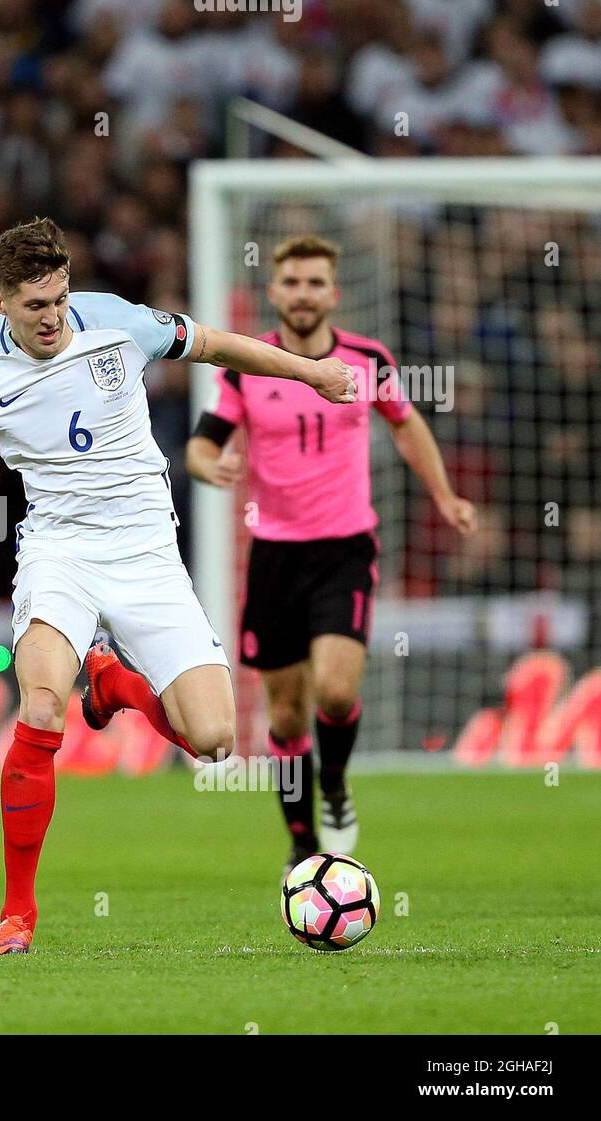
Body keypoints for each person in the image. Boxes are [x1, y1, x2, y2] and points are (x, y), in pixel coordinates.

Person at [0, 217, 357, 954]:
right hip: (60, 554)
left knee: (213, 741)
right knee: (44, 707)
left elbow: (211, 343)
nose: (52, 317)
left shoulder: (116, 322)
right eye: (33, 305)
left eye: (58, 298)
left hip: (148, 552)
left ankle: (114, 684)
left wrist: (312, 372)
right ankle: (18, 913)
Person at [186, 235, 477, 875]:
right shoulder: (248, 365)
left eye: (315, 282)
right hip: (275, 557)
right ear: (275, 290)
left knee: (338, 693)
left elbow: (405, 423)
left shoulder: (368, 359)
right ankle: (299, 839)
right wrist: (215, 468)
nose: (303, 293)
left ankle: (337, 789)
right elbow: (201, 447)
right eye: (292, 282)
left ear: (333, 293)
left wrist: (445, 495)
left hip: (345, 549)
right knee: (285, 715)